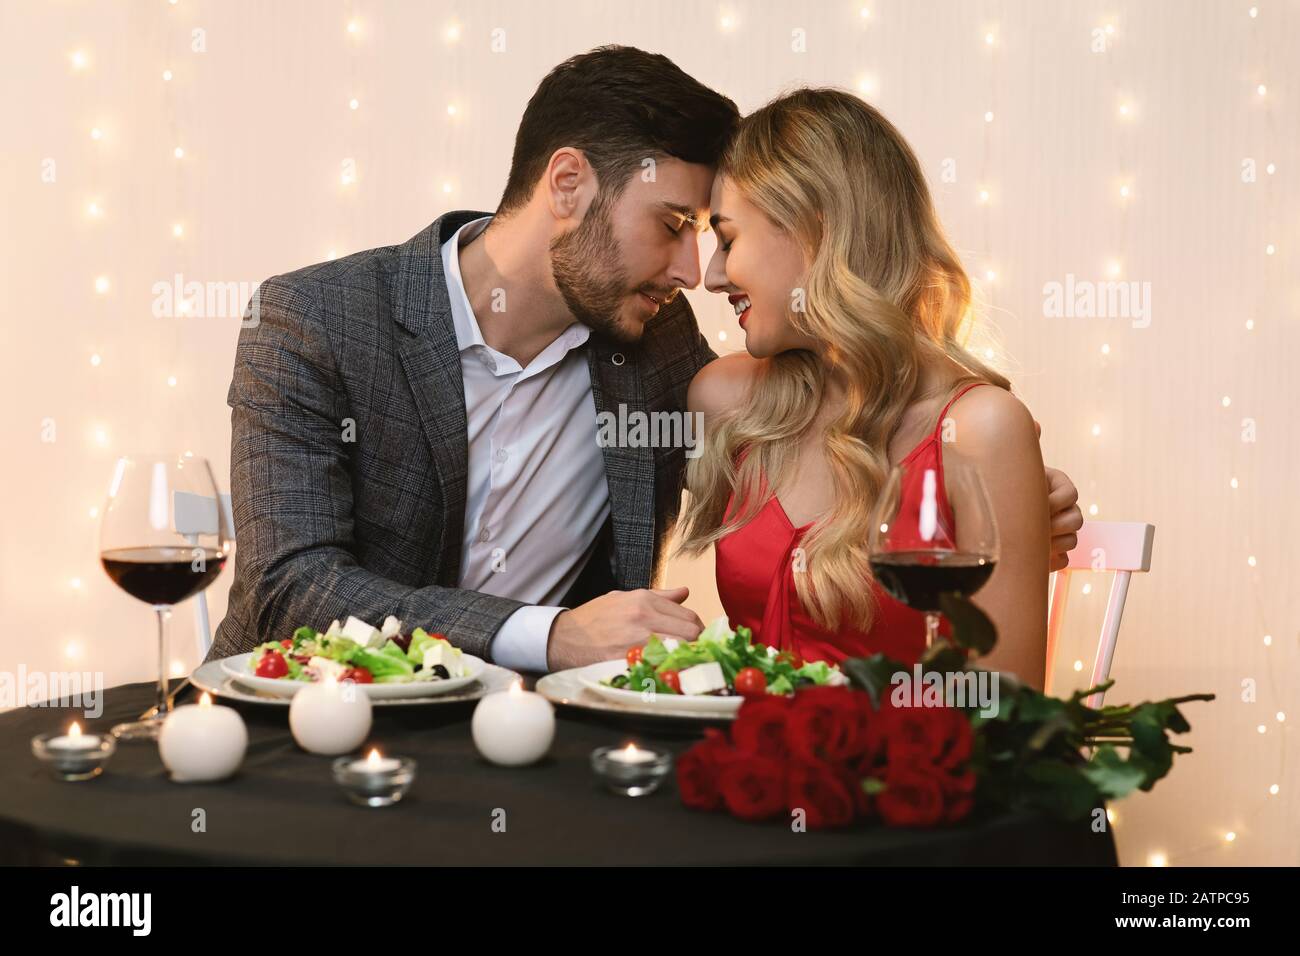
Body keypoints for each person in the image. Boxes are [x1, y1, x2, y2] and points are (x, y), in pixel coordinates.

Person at [212, 47, 1082, 675]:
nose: (691, 272)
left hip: (548, 764)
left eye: (712, 236)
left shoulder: (658, 353)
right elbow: (294, 586)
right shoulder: (314, 320)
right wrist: (549, 636)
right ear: (567, 185)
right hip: (300, 724)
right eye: (672, 225)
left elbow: (840, 433)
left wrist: (989, 495)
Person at [681, 89, 1053, 688]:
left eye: (726, 239)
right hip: (740, 769)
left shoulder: (980, 428)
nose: (711, 276)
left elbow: (1006, 713)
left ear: (814, 231)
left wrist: (1026, 503)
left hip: (896, 777)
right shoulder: (726, 399)